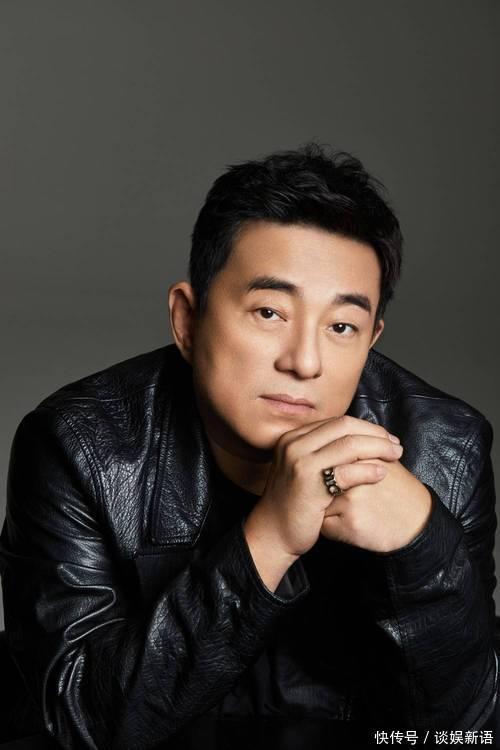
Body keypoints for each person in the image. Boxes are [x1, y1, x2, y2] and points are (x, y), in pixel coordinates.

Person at [0, 143, 497, 749]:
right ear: (187, 320)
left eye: (342, 326)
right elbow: (76, 723)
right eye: (269, 312)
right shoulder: (80, 447)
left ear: (372, 339)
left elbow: (465, 734)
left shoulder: (446, 452)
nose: (305, 362)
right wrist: (270, 539)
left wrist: (423, 551)